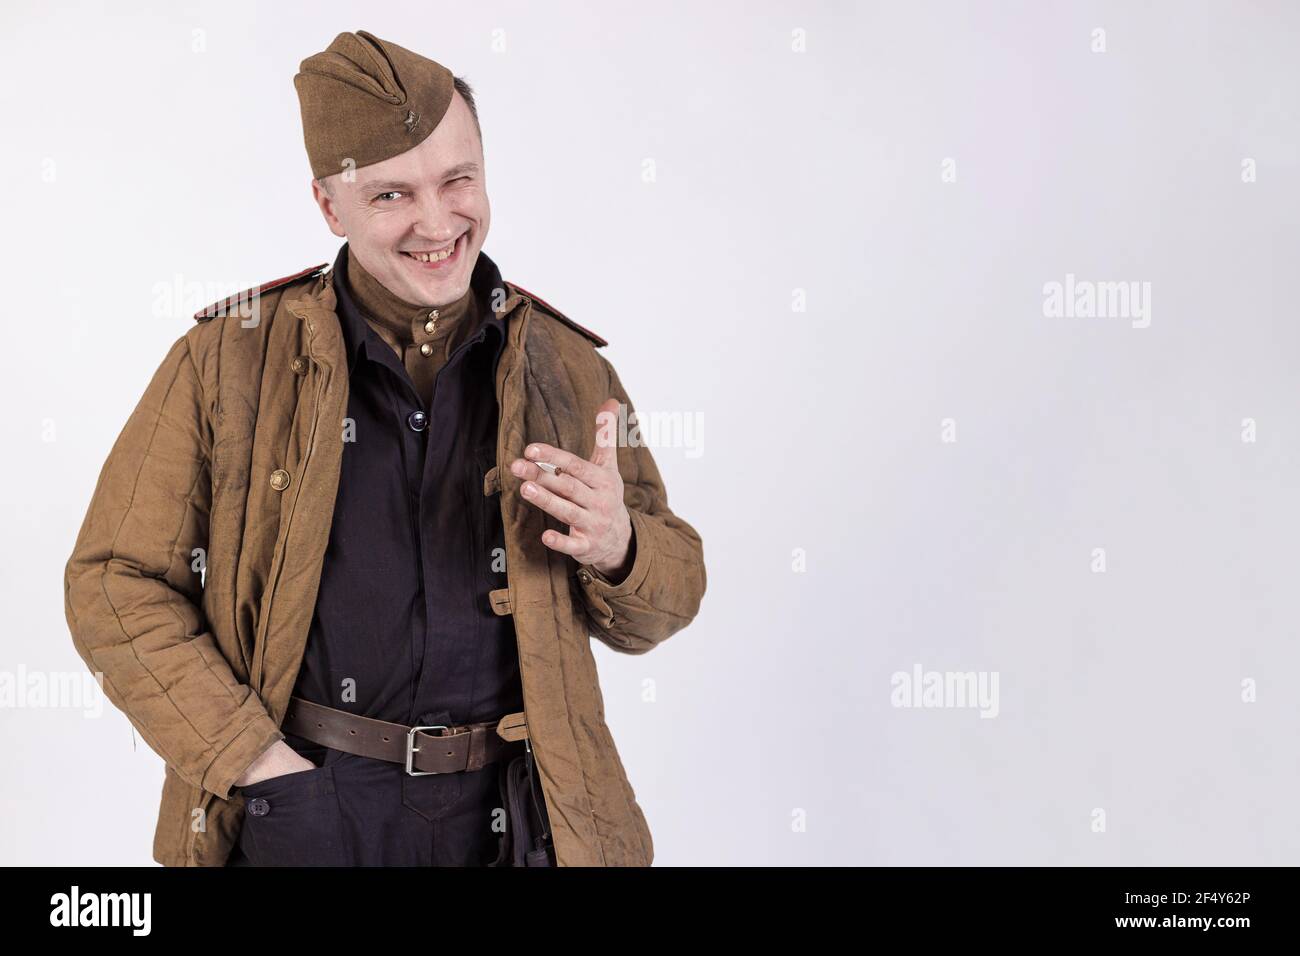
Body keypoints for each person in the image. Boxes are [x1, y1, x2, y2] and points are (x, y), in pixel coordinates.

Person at [63, 30, 706, 866]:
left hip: (523, 826)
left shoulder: (569, 365)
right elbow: (113, 582)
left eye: (458, 180)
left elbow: (668, 600)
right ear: (331, 207)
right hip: (311, 816)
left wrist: (620, 549)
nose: (438, 224)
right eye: (393, 196)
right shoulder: (225, 361)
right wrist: (261, 770)